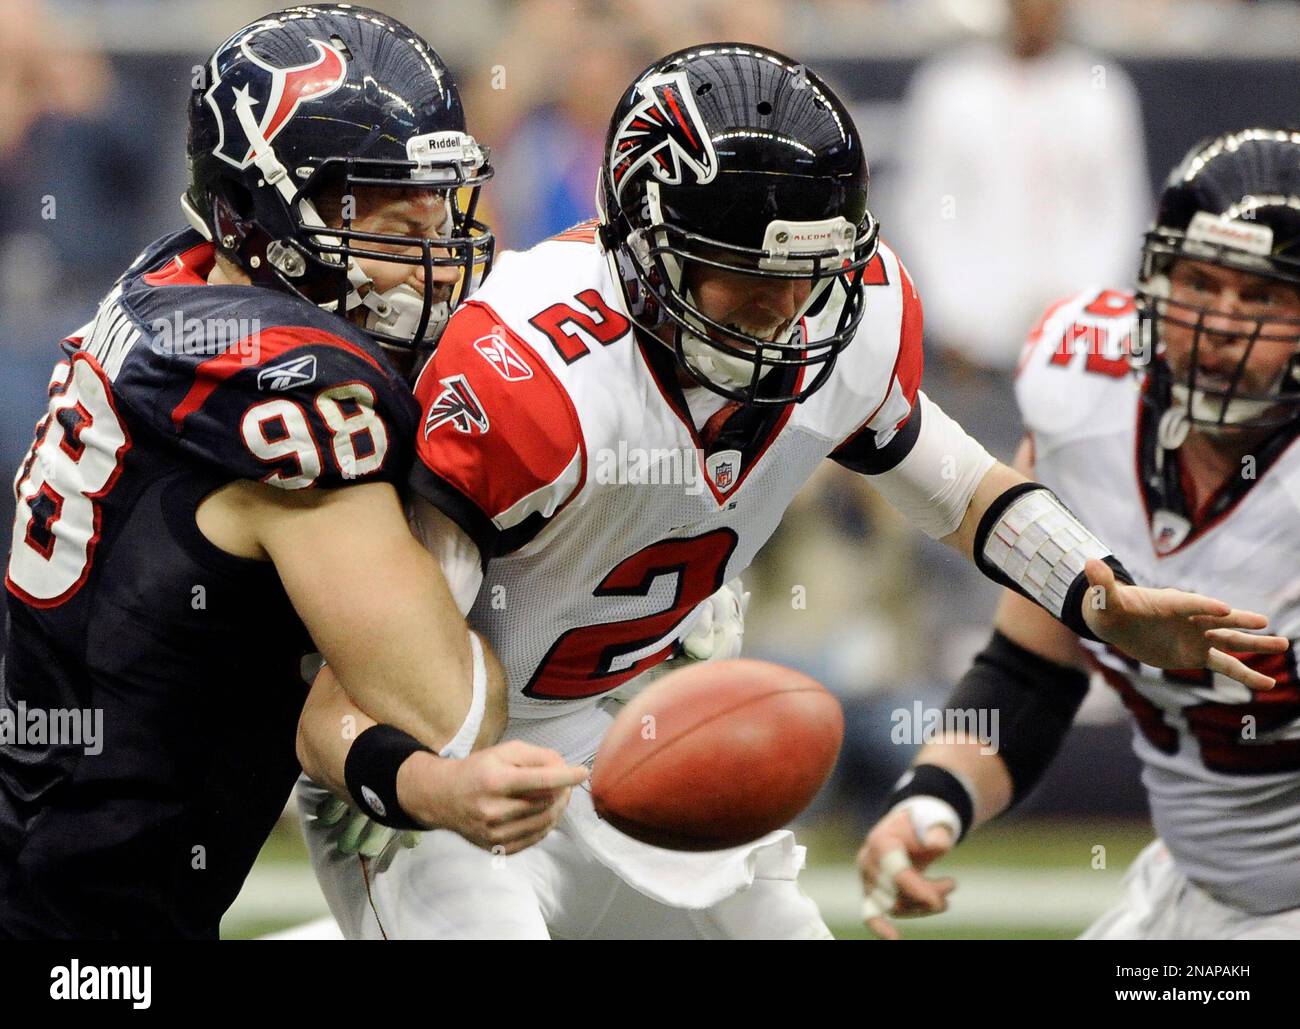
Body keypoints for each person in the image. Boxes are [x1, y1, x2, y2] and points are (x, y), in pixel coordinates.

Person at [295, 47, 1285, 940]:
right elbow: (341, 702)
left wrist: (1101, 595)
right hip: (448, 762)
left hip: (632, 724)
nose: (783, 313)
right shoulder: (528, 375)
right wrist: (436, 782)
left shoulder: (843, 321)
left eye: (811, 277)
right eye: (741, 279)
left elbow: (962, 489)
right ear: (646, 249)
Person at [0, 4, 588, 940]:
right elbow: (449, 711)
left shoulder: (186, 278)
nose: (438, 256)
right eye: (398, 219)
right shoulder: (295, 396)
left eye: (441, 205)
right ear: (270, 212)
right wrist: (575, 567)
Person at [858, 127, 1300, 941]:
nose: (1221, 324)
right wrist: (931, 801)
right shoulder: (1082, 398)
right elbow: (1030, 671)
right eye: (1200, 283)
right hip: (1195, 887)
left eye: (1262, 297)